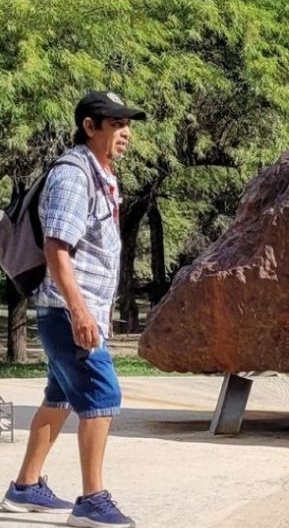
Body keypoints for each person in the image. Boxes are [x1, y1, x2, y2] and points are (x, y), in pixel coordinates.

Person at [1, 91, 145, 526]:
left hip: (78, 308)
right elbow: (56, 248)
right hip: (68, 309)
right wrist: (80, 312)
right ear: (89, 126)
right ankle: (92, 501)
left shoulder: (100, 174)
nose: (125, 132)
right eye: (116, 124)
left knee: (60, 397)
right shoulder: (73, 175)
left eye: (127, 124)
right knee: (103, 395)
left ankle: (26, 487)